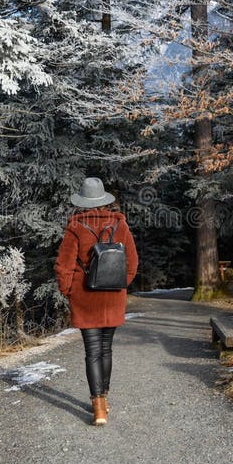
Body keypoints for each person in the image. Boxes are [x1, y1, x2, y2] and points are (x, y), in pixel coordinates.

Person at [55, 177, 138, 426]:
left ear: (82, 202)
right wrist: (120, 284)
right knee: (106, 349)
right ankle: (105, 399)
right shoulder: (119, 224)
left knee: (92, 352)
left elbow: (63, 265)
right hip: (113, 297)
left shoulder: (75, 227)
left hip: (85, 297)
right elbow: (132, 262)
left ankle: (98, 407)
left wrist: (69, 291)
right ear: (103, 201)